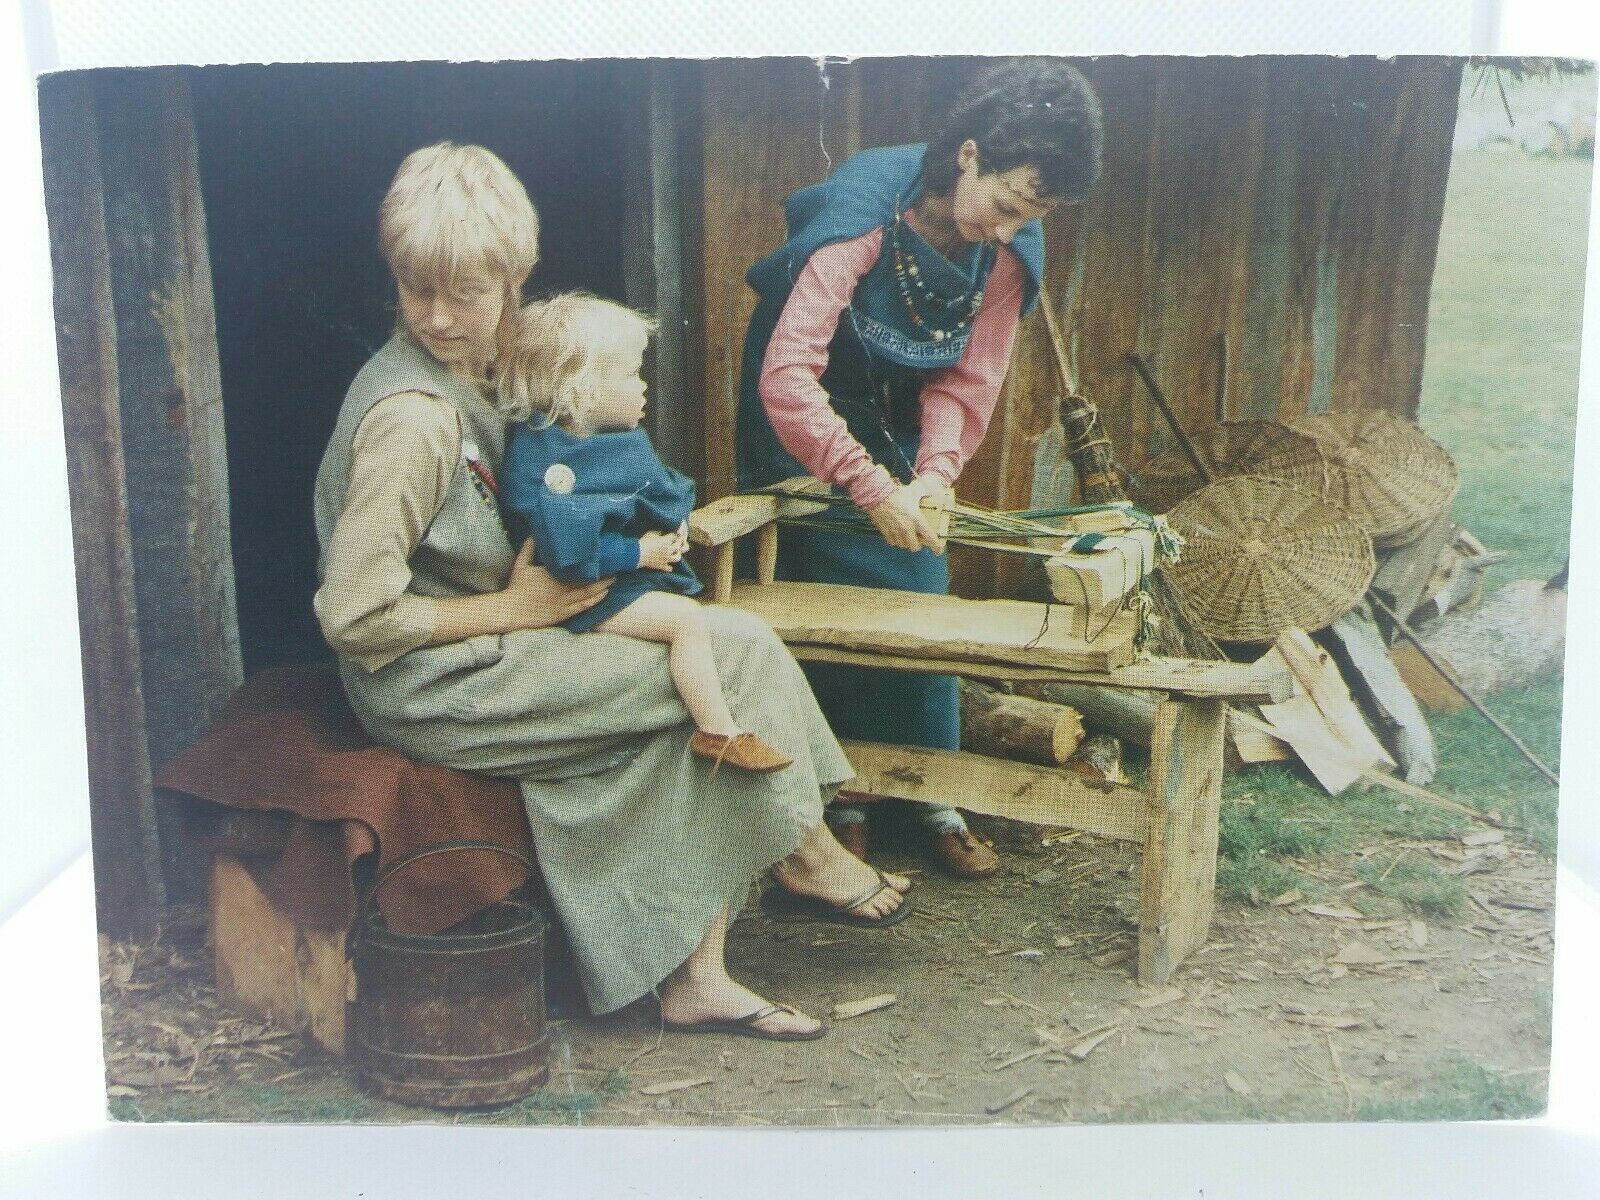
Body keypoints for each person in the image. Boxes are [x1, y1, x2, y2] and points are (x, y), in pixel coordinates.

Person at [313, 142, 909, 1043]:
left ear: (515, 279)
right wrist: (516, 609)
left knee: (717, 652)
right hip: (432, 679)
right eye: (415, 289)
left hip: (506, 644)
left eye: (467, 293)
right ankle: (804, 850)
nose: (438, 318)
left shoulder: (477, 367)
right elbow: (353, 620)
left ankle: (703, 964)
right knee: (730, 660)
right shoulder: (413, 419)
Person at [736, 58, 1104, 878]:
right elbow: (788, 377)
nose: (1011, 230)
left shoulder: (1009, 250)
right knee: (822, 585)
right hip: (803, 403)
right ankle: (848, 799)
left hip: (898, 405)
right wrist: (868, 486)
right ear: (968, 154)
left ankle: (934, 792)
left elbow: (971, 378)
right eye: (1006, 206)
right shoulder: (866, 207)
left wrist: (934, 474)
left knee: (918, 572)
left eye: (1032, 215)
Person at [498, 294, 791, 774]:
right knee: (684, 623)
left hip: (615, 581)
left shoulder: (606, 442)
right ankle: (718, 733)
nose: (643, 387)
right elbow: (567, 550)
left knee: (710, 626)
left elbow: (644, 492)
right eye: (631, 376)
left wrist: (669, 525)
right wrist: (639, 552)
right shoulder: (549, 464)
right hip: (577, 593)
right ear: (581, 389)